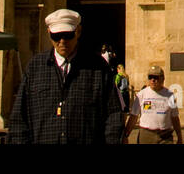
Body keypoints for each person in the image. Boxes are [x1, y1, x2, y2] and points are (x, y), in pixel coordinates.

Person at [8, 8, 120, 144]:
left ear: (78, 32)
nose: (62, 41)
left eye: (67, 35)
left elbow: (113, 115)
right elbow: (19, 118)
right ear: (49, 34)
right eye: (56, 36)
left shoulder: (98, 67)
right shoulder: (35, 67)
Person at [126, 64, 182, 143]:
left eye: (156, 77)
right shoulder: (142, 94)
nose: (153, 80)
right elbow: (133, 117)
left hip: (165, 135)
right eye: (150, 77)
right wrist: (126, 135)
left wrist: (179, 136)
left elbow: (175, 117)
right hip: (146, 135)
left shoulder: (170, 95)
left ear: (162, 78)